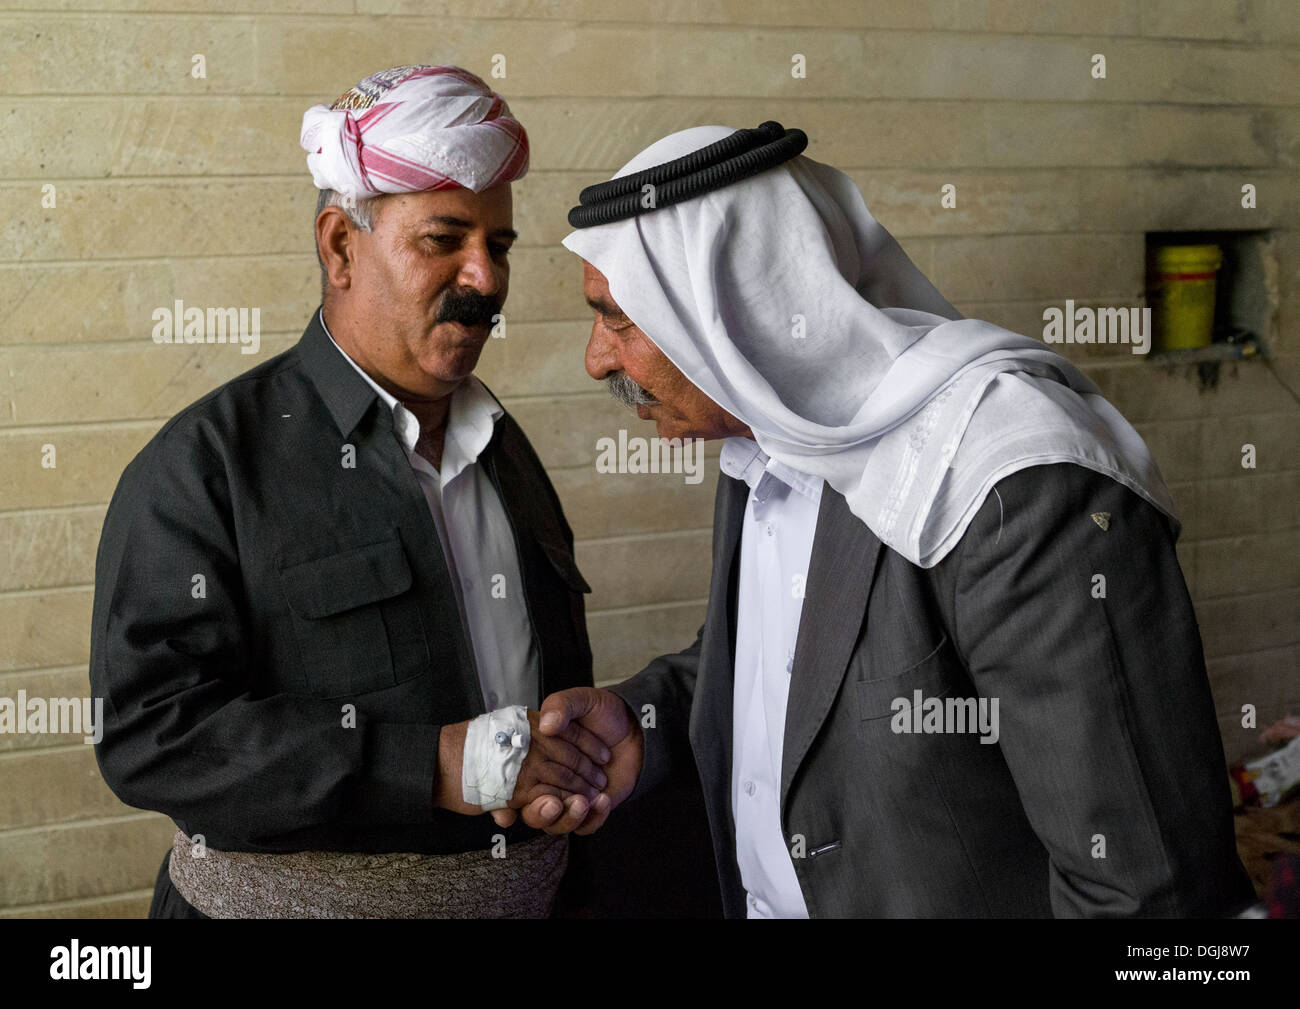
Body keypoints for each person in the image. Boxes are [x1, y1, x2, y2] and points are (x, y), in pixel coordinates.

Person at [509, 121, 1258, 918]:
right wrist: (643, 720)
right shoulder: (769, 440)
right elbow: (798, 665)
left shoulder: (1017, 481)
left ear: (732, 310)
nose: (597, 360)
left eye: (619, 319)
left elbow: (1150, 893)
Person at [89, 64, 608, 918]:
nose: (488, 279)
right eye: (445, 240)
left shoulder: (505, 451)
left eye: (501, 245)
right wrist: (433, 766)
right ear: (340, 246)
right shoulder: (205, 468)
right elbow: (150, 732)